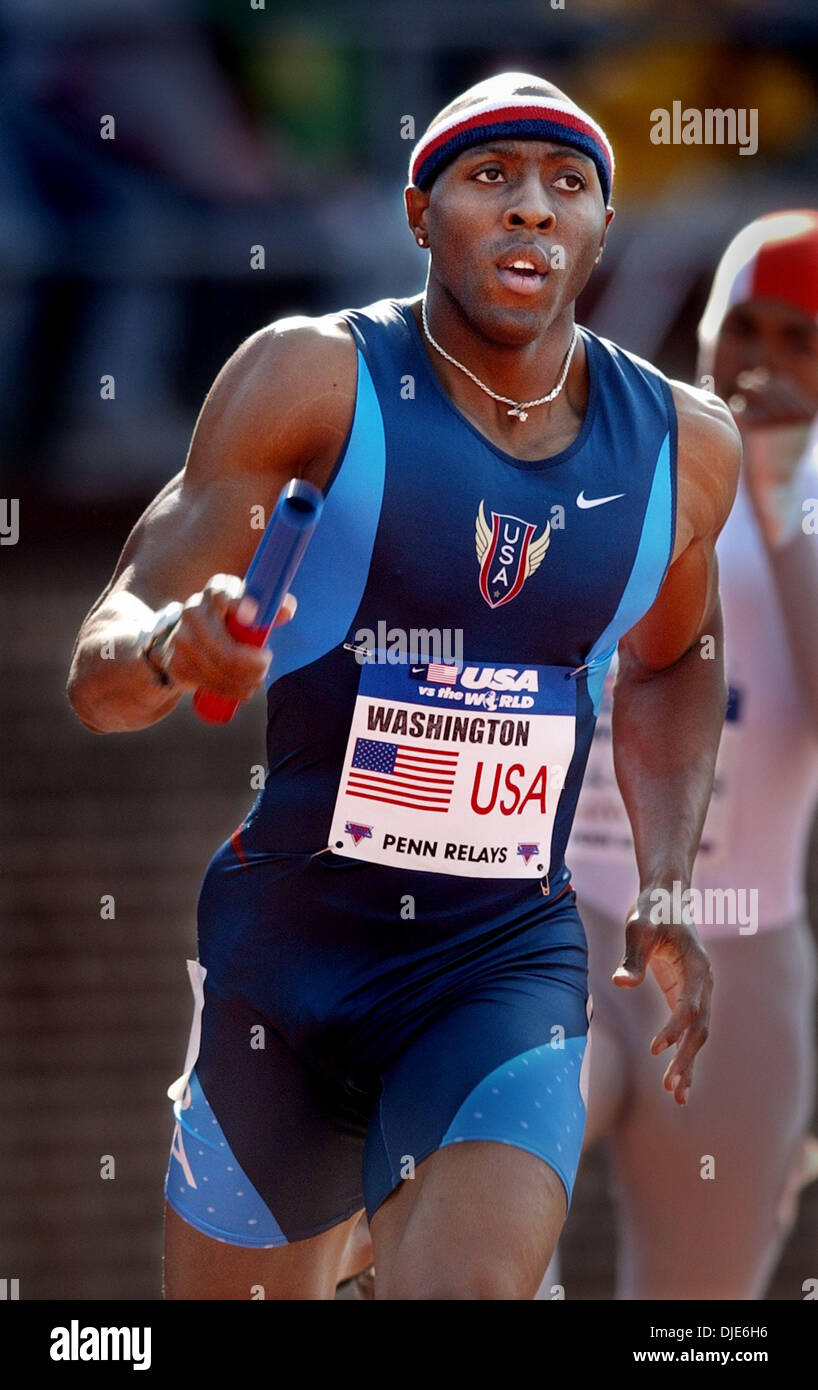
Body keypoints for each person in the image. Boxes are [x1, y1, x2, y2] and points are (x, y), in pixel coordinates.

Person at [65, 71, 739, 1301]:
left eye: (567, 185)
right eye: (491, 178)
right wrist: (176, 646)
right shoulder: (310, 380)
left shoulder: (684, 447)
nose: (532, 208)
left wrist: (663, 877)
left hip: (498, 960)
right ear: (419, 214)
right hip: (288, 961)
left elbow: (673, 661)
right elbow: (97, 668)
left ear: (600, 232)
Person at [566, 209, 818, 1300]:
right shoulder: (619, 466)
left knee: (698, 1306)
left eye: (800, 339)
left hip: (742, 951)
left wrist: (775, 501)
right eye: (741, 329)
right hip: (560, 925)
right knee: (472, 1197)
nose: (761, 364)